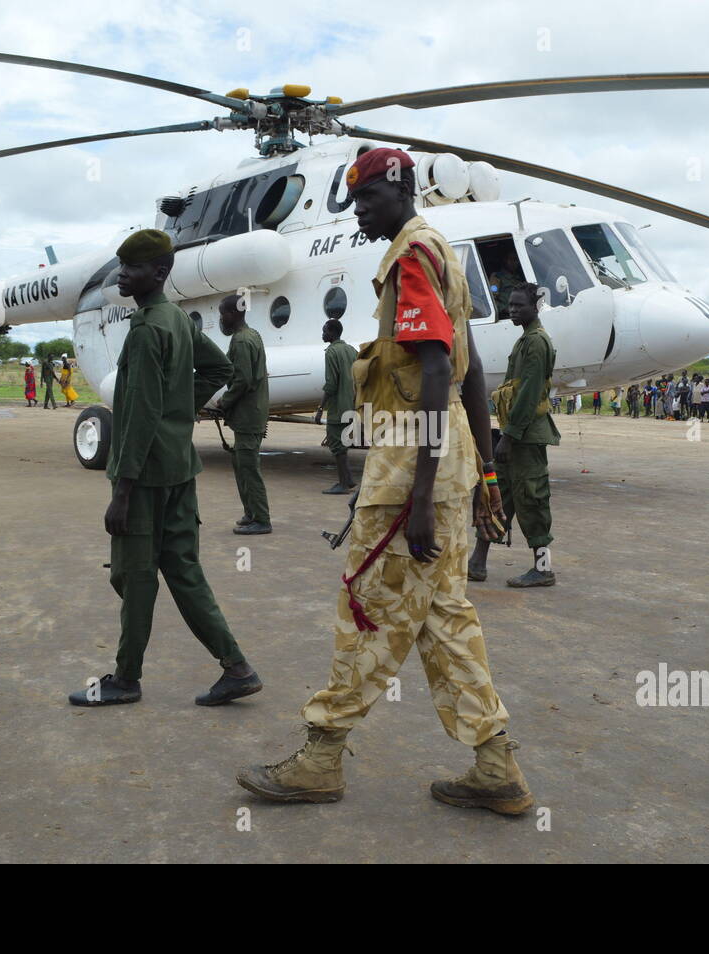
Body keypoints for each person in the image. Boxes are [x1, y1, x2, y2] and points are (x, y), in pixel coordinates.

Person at [237, 147, 532, 815]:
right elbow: (472, 371)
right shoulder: (442, 253)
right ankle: (495, 765)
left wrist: (423, 495)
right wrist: (483, 474)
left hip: (409, 472)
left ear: (398, 190)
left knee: (366, 608)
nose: (360, 214)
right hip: (444, 459)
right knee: (443, 618)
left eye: (367, 201)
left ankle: (320, 756)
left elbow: (436, 373)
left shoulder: (410, 256)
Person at [68, 228, 261, 709]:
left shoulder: (149, 328)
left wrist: (122, 490)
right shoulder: (177, 320)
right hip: (179, 471)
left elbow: (137, 414)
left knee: (134, 576)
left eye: (130, 267)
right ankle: (237, 668)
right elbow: (218, 371)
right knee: (183, 571)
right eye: (120, 265)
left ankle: (126, 678)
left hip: (147, 478)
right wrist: (181, 412)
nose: (121, 275)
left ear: (158, 272)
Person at [470, 282, 559, 587]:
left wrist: (508, 437)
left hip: (526, 437)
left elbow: (530, 394)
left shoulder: (536, 342)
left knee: (533, 501)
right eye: (510, 305)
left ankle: (544, 569)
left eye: (519, 305)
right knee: (499, 496)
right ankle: (478, 561)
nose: (512, 310)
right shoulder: (524, 340)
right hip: (514, 433)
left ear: (536, 306)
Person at [217, 293, 272, 534]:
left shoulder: (241, 341)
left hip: (248, 416)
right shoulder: (253, 335)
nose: (222, 320)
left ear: (233, 314)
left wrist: (224, 402)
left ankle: (261, 519)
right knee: (241, 465)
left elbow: (242, 380)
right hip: (253, 413)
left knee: (249, 469)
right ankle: (251, 513)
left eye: (222, 314)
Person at [314, 318, 359, 494]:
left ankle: (342, 484)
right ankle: (348, 480)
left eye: (325, 330)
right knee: (342, 444)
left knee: (336, 444)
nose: (323, 334)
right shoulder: (351, 350)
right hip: (351, 405)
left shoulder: (331, 353)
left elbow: (331, 384)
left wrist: (320, 408)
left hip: (338, 407)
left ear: (332, 333)